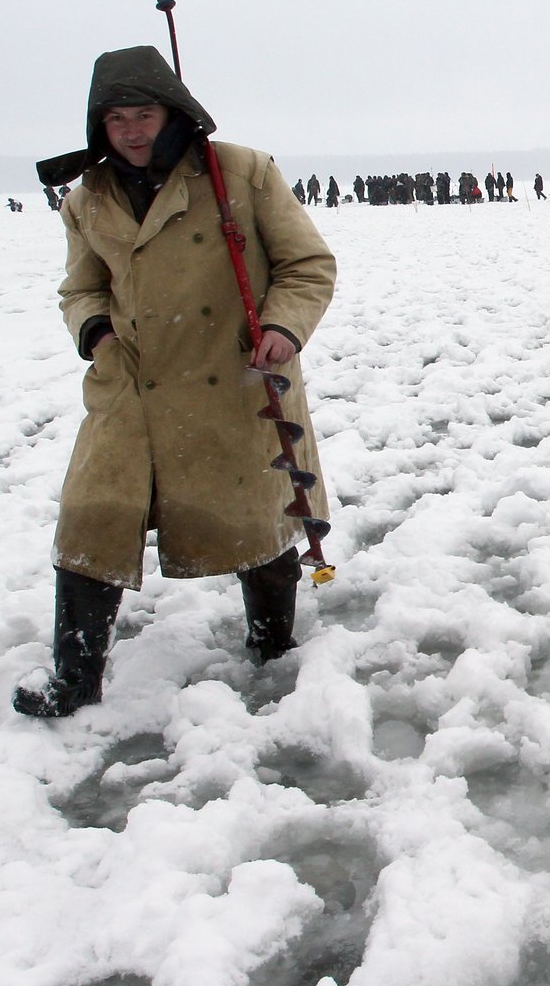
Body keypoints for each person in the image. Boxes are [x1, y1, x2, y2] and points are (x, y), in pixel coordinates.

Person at [18, 45, 336, 718]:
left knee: (258, 520)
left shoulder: (239, 172)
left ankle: (272, 644)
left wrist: (282, 326)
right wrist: (96, 332)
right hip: (130, 386)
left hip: (235, 377)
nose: (132, 131)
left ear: (174, 113)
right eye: (116, 120)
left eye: (145, 113)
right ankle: (74, 682)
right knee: (92, 518)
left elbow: (307, 264)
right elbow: (80, 288)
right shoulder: (88, 199)